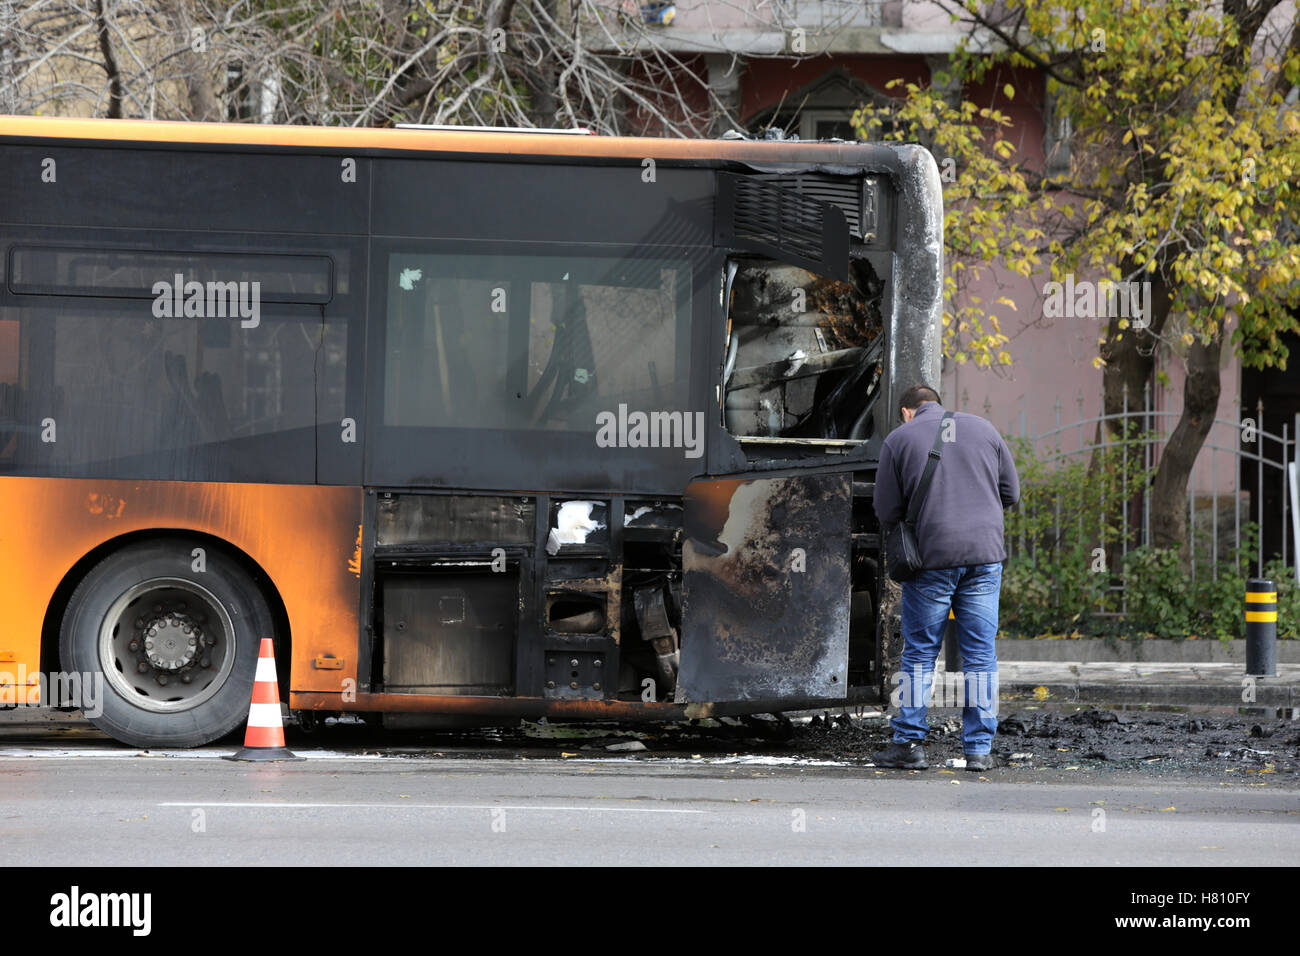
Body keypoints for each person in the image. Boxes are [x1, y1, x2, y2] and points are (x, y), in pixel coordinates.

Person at [871, 385, 1020, 771]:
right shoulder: (984, 429)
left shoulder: (898, 439)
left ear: (907, 412)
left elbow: (886, 508)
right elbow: (1010, 493)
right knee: (980, 654)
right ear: (937, 403)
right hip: (985, 557)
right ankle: (978, 751)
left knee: (920, 652)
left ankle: (908, 745)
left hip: (932, 559)